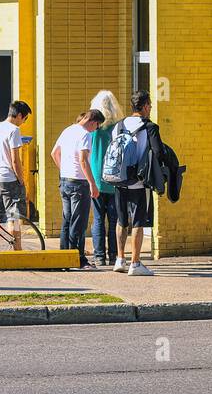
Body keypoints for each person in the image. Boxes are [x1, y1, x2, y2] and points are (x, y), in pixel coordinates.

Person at [52, 109, 102, 270]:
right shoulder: (85, 134)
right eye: (97, 126)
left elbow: (54, 153)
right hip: (79, 183)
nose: (96, 129)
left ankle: (63, 256)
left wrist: (64, 169)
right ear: (93, 122)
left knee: (67, 220)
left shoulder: (68, 130)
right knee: (78, 223)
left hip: (65, 180)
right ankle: (77, 258)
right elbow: (83, 160)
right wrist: (92, 183)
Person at [115, 90, 157, 276]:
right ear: (146, 106)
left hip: (119, 179)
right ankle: (136, 263)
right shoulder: (149, 127)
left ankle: (120, 259)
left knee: (121, 220)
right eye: (150, 105)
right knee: (138, 220)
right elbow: (157, 151)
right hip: (139, 181)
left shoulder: (118, 125)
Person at [0, 100, 31, 251]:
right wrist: (21, 179)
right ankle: (17, 251)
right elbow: (15, 160)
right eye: (25, 119)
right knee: (15, 217)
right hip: (9, 179)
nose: (23, 123)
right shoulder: (14, 130)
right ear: (19, 115)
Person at [88, 91, 122, 267]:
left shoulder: (94, 129)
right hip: (114, 179)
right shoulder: (117, 127)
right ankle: (115, 255)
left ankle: (99, 256)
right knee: (115, 219)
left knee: (99, 219)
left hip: (96, 179)